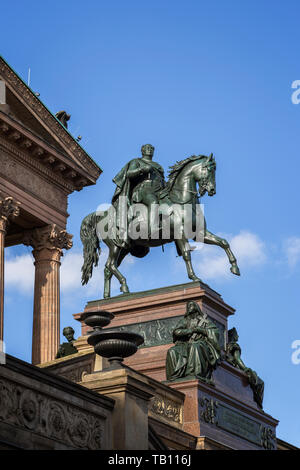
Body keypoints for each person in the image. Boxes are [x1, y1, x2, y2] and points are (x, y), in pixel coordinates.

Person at [111, 144, 166, 247]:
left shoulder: (158, 166)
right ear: (142, 151)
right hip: (143, 190)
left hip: (159, 191)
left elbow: (163, 181)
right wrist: (142, 169)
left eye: (151, 149)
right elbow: (128, 174)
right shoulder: (136, 162)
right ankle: (154, 230)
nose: (149, 150)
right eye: (147, 148)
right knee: (153, 202)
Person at [166, 301, 221, 383]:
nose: (190, 307)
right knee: (172, 351)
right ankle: (175, 376)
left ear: (196, 308)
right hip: (185, 344)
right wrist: (190, 330)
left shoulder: (204, 321)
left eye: (192, 305)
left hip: (202, 343)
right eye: (188, 306)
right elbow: (176, 331)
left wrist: (202, 330)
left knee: (194, 346)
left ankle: (192, 373)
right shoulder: (185, 321)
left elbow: (214, 332)